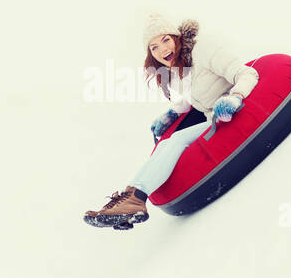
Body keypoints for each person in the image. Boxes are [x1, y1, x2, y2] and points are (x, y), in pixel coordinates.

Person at [84, 14, 260, 229]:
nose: (162, 50)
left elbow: (246, 73)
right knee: (166, 142)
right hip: (214, 119)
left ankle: (135, 199)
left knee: (177, 140)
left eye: (165, 40)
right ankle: (129, 197)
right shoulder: (177, 68)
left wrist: (235, 97)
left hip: (236, 111)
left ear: (176, 37)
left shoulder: (203, 49)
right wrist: (171, 114)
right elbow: (192, 97)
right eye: (154, 47)